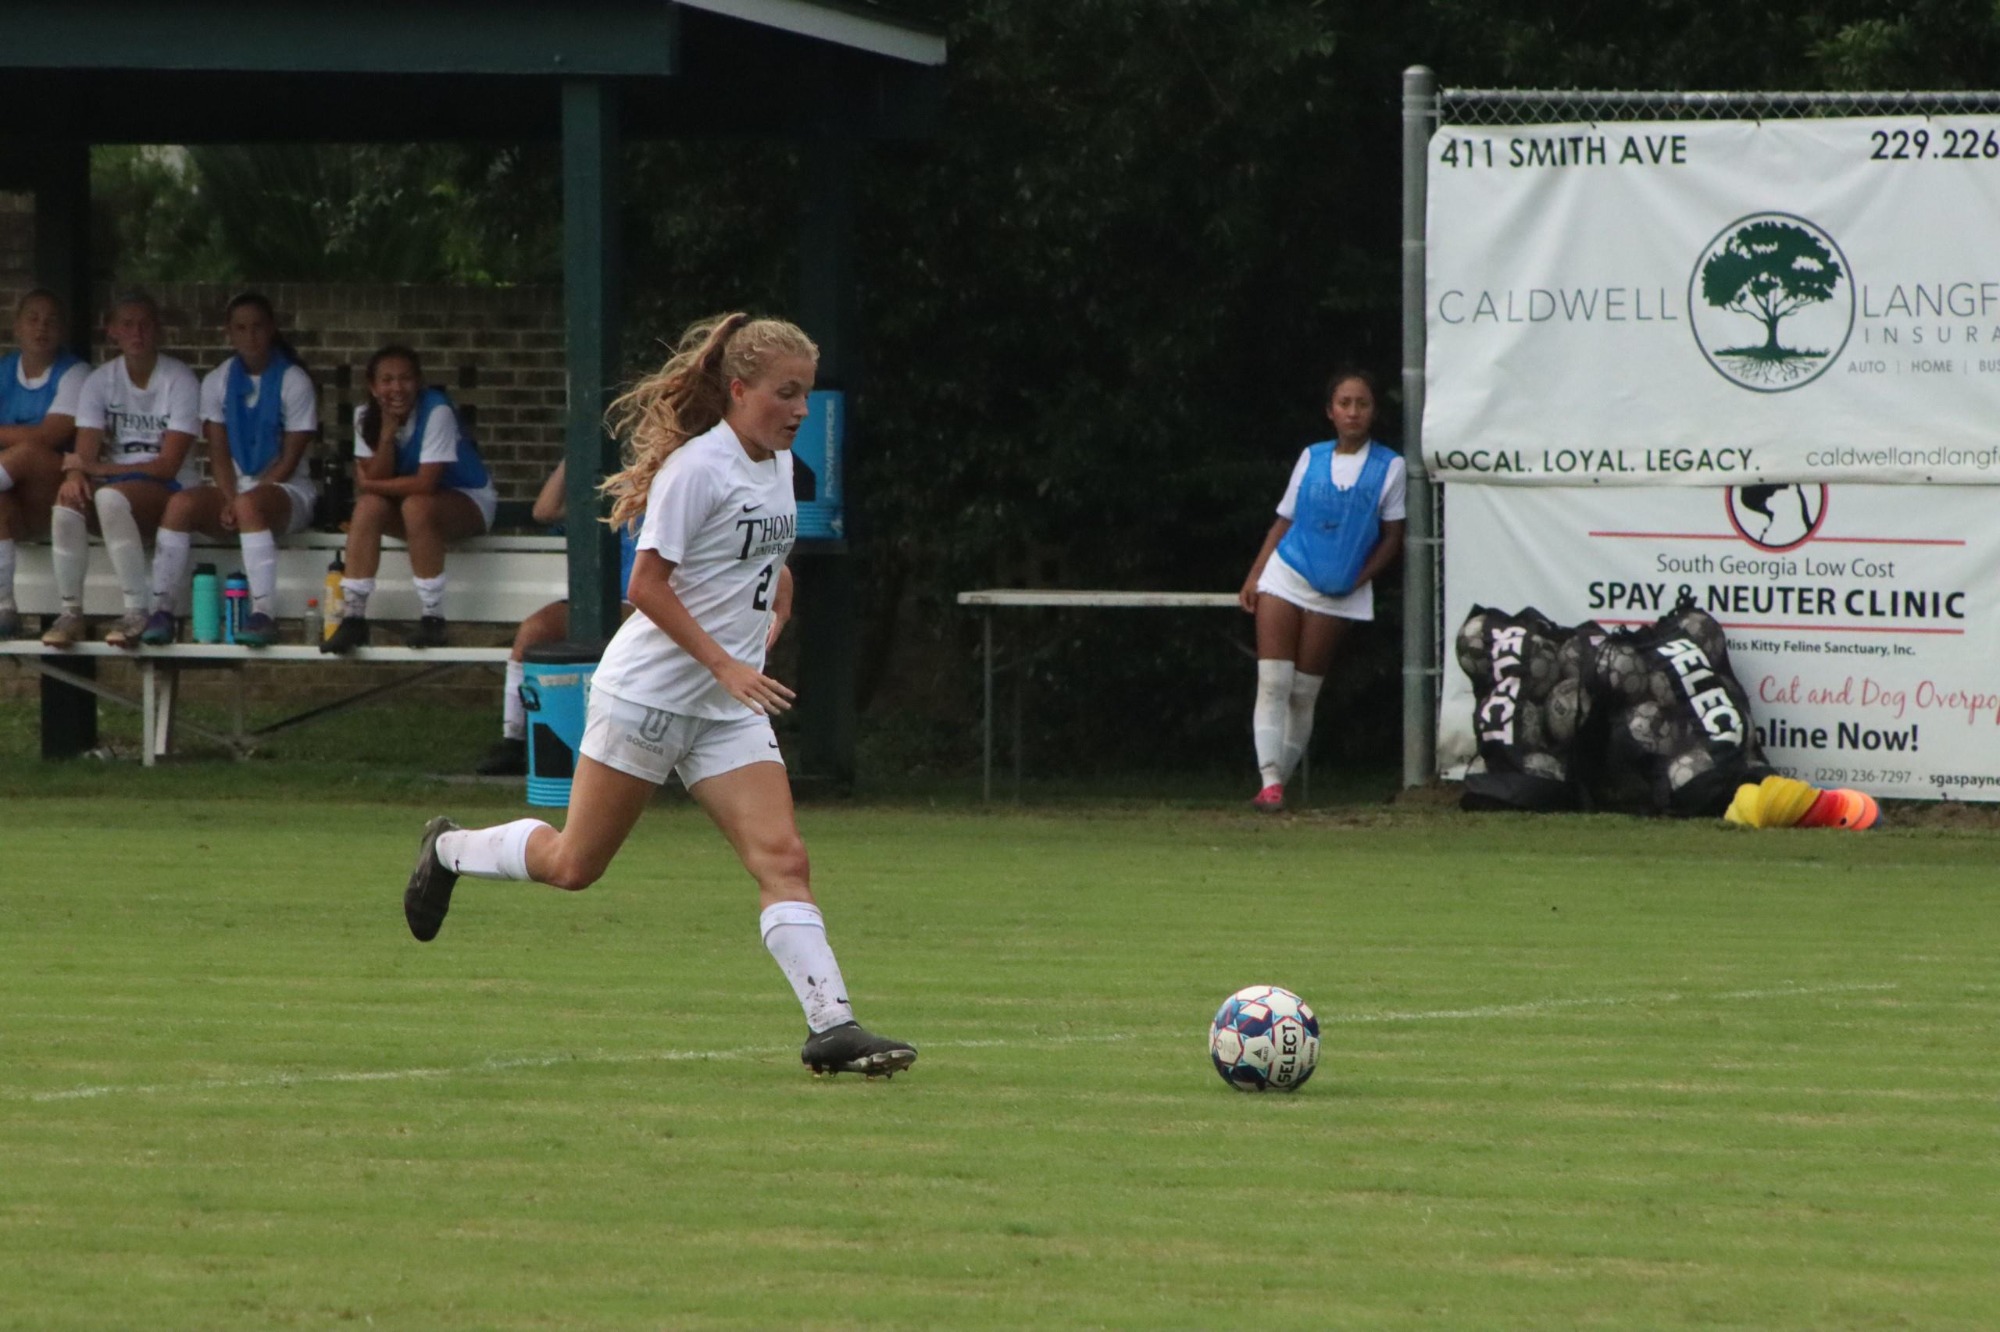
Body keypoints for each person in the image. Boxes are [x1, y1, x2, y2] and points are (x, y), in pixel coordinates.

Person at [403, 312, 913, 1078]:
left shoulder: (777, 462)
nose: (802, 410)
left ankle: (832, 1026)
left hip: (721, 709)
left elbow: (763, 557)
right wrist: (723, 663)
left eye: (807, 393)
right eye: (787, 393)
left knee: (784, 858)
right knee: (576, 865)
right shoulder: (696, 470)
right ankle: (449, 849)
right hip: (647, 698)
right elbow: (646, 585)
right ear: (739, 390)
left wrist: (777, 600)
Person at [475, 458, 792, 777]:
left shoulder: (707, 486)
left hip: (664, 612)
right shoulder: (631, 493)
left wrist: (781, 574)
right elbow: (545, 511)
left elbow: (741, 549)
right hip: (633, 615)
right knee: (535, 628)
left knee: (775, 829)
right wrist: (574, 456)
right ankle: (513, 739)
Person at [1237, 367, 1407, 811]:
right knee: (1273, 680)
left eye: (1362, 404)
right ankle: (1269, 782)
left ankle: (1279, 784)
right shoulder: (1310, 457)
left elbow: (1392, 537)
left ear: (1373, 411)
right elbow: (1285, 520)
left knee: (1304, 691)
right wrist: (1256, 574)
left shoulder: (1390, 467)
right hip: (1288, 573)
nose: (1353, 412)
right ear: (1330, 411)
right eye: (1344, 403)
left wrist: (1357, 577)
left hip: (1338, 589)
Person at [140, 292, 320, 646]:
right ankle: (161, 609)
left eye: (257, 327)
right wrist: (227, 496)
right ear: (229, 333)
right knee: (181, 504)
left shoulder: (294, 380)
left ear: (270, 330)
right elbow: (218, 453)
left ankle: (264, 613)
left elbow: (290, 459)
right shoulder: (217, 381)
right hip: (232, 492)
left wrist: (242, 500)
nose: (250, 336)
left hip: (285, 491)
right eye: (241, 328)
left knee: (250, 505)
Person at [41, 291, 201, 650]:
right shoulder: (100, 380)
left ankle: (136, 610)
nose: (137, 332)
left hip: (167, 490)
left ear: (158, 330)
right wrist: (75, 475)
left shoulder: (179, 379)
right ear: (111, 331)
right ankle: (71, 613)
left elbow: (167, 465)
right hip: (115, 491)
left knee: (110, 496)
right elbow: (84, 450)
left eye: (145, 324)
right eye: (127, 324)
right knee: (67, 504)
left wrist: (94, 467)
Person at [322, 345, 497, 653]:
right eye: (387, 380)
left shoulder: (436, 410)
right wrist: (387, 436)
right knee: (368, 506)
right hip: (412, 508)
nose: (396, 388)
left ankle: (433, 617)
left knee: (416, 504)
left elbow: (426, 483)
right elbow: (372, 487)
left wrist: (371, 482)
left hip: (467, 500)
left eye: (405, 379)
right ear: (373, 386)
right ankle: (353, 617)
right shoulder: (365, 415)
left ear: (418, 382)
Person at [0, 290, 89, 638]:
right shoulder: (4, 370)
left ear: (63, 330)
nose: (42, 327)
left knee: (29, 452)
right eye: (33, 319)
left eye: (51, 320)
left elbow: (50, 435)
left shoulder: (76, 373)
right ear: (17, 326)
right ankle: (5, 607)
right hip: (13, 495)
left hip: (57, 492)